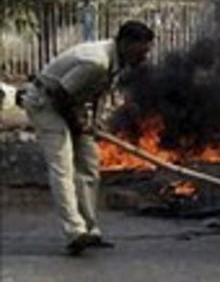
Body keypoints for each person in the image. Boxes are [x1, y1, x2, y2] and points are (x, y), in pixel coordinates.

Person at [21, 20, 155, 255]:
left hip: (71, 104)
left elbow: (97, 93)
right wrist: (77, 123)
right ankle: (75, 232)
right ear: (125, 43)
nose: (145, 56)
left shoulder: (117, 61)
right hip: (45, 103)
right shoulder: (96, 61)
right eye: (142, 50)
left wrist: (93, 122)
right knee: (62, 165)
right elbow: (61, 94)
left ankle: (90, 230)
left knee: (89, 165)